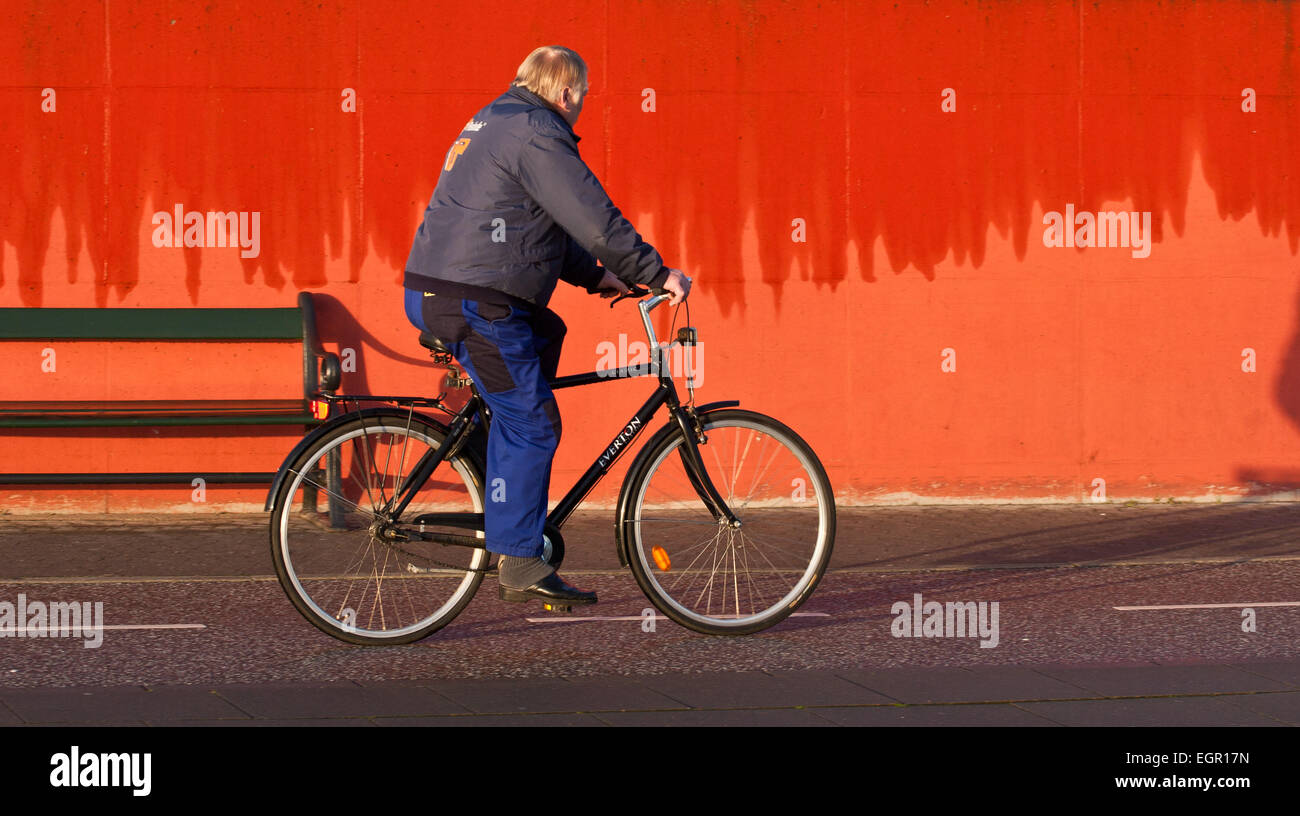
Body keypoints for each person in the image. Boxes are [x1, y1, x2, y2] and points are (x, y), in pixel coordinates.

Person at [402, 45, 691, 606]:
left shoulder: (499, 117)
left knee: (545, 336)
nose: (580, 106)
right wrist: (655, 273)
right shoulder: (538, 130)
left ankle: (496, 472)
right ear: (566, 93)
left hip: (447, 291)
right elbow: (592, 217)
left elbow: (533, 222)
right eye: (582, 96)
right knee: (534, 424)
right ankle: (518, 557)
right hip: (474, 302)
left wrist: (596, 277)